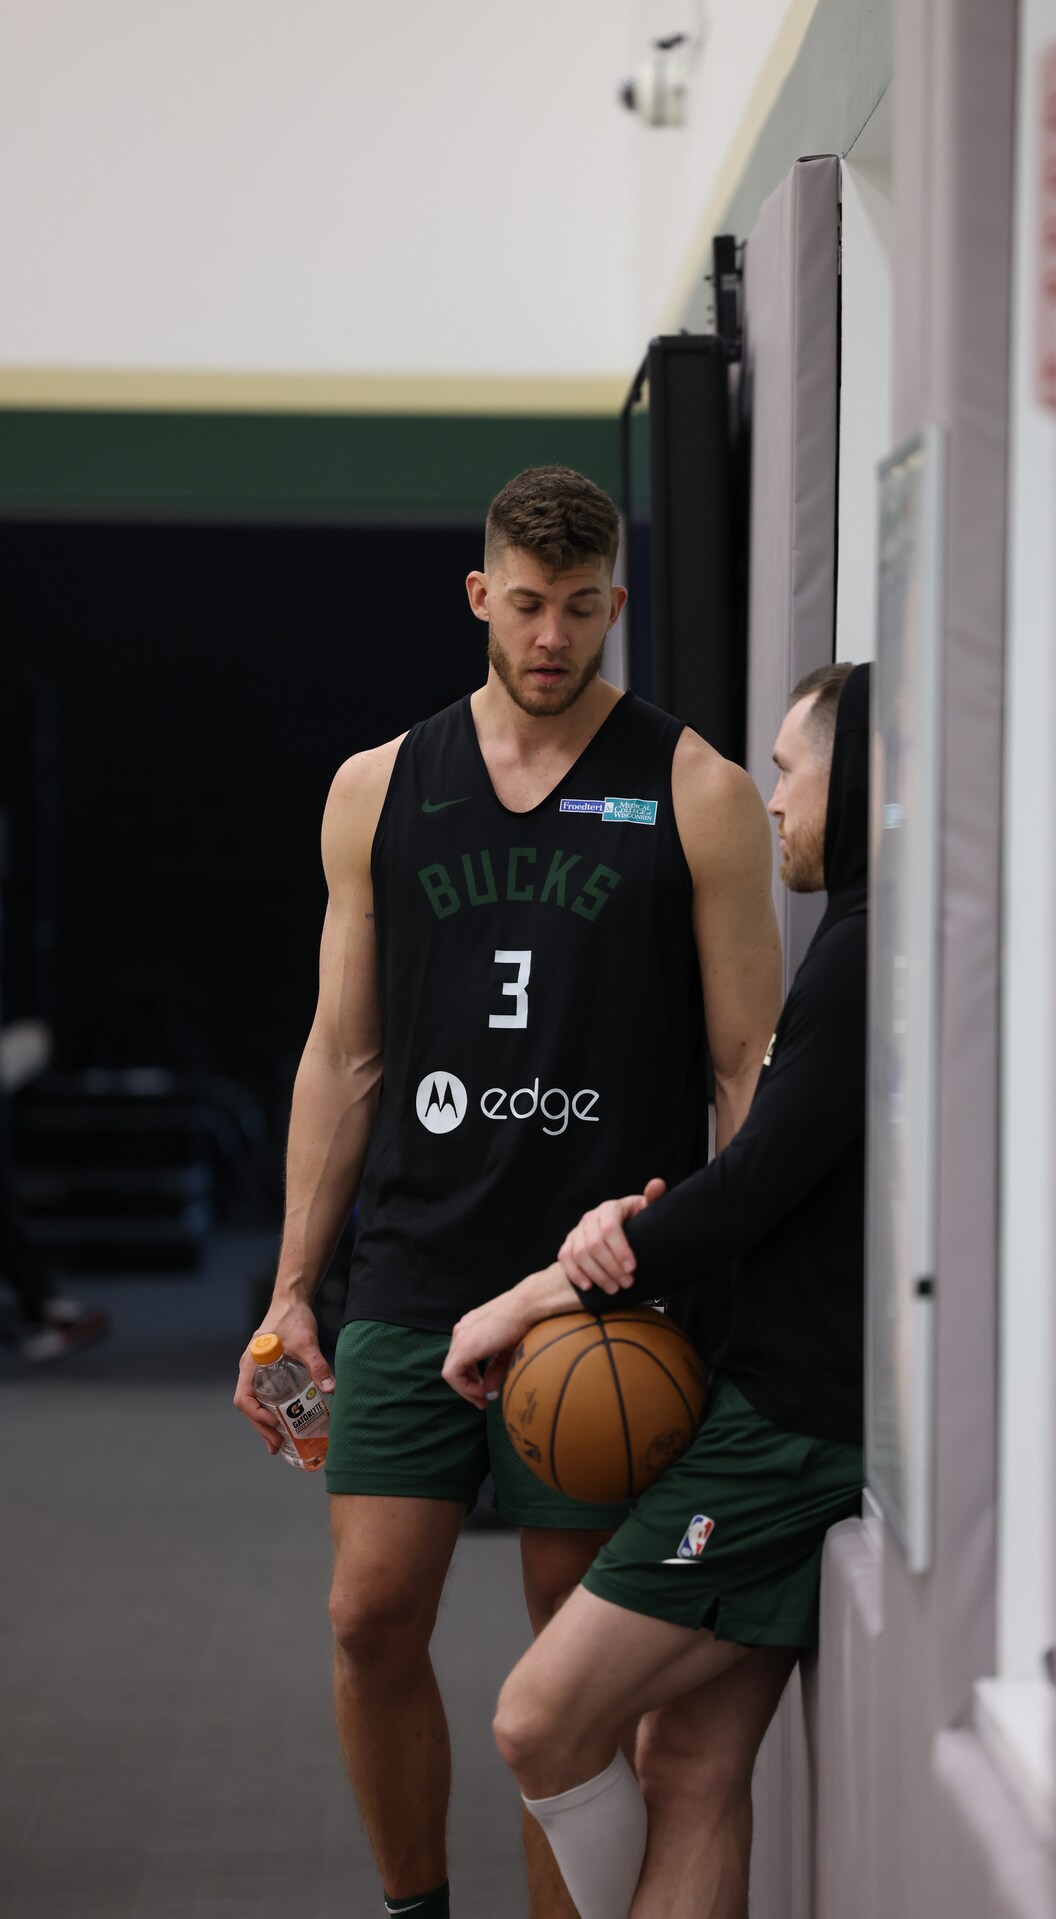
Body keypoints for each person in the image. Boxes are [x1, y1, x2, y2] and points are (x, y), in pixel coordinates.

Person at [232, 465, 782, 1919]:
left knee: (564, 1658)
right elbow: (343, 1055)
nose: (552, 637)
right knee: (368, 1613)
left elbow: (746, 1071)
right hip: (414, 1269)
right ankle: (419, 1904)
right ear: (481, 595)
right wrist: (294, 1286)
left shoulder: (699, 789)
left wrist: (741, 1290)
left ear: (617, 602)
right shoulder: (381, 785)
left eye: (582, 607)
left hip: (602, 1294)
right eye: (527, 605)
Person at [443, 661, 869, 1919]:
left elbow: (745, 1195)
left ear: (866, 772)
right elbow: (769, 1179)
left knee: (535, 1719)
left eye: (791, 769)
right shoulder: (862, 935)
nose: (775, 801)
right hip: (798, 1406)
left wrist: (533, 1295)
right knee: (685, 1763)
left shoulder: (862, 949)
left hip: (787, 1438)